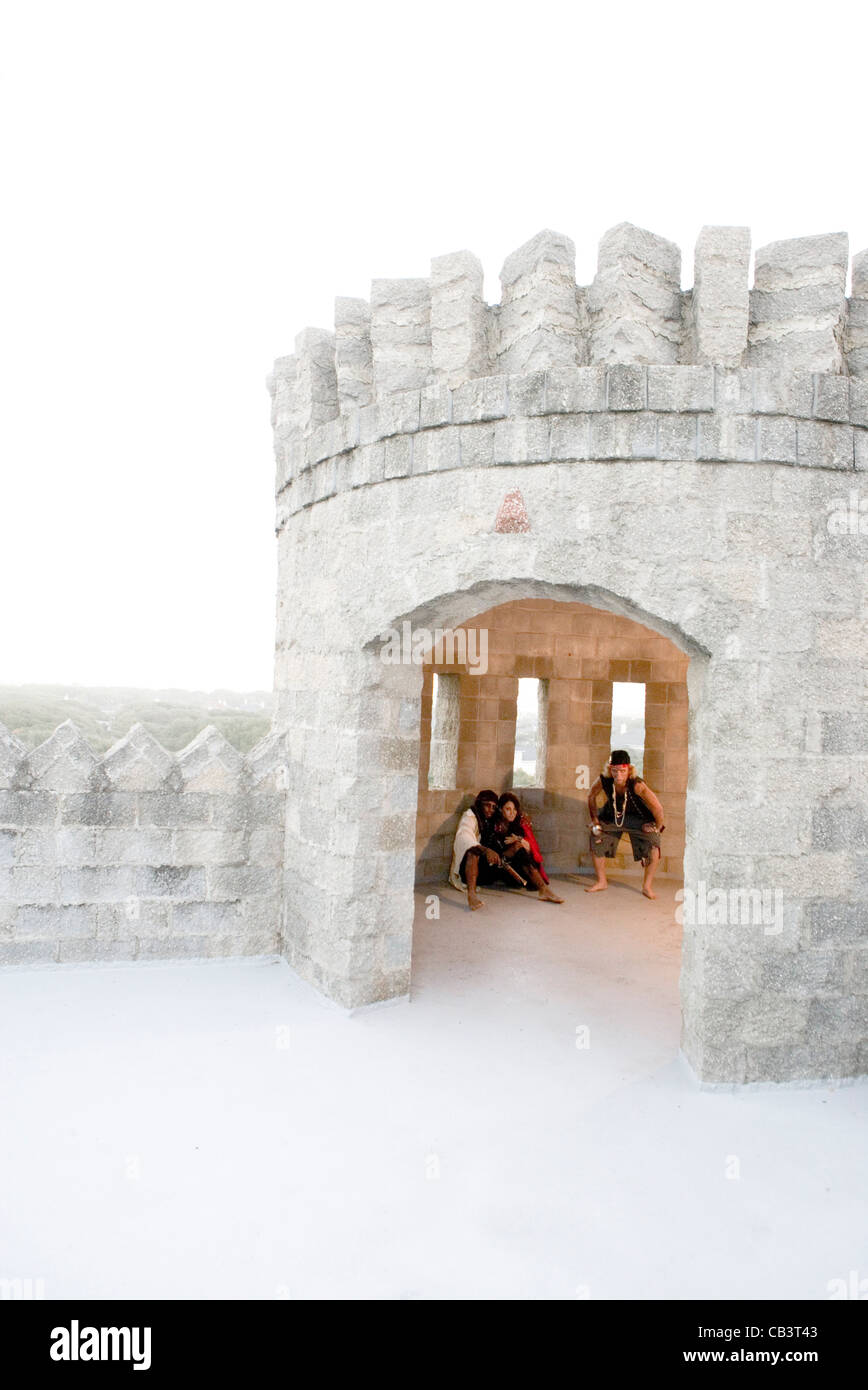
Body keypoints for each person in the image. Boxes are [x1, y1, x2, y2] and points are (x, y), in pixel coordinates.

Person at [449, 789, 563, 911]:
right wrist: (486, 850)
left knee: (519, 849)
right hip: (471, 869)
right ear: (480, 804)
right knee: (473, 851)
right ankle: (472, 896)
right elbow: (465, 837)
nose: (490, 810)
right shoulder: (470, 816)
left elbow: (504, 854)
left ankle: (544, 890)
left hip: (495, 869)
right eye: (487, 805)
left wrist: (514, 848)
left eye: (493, 807)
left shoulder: (499, 820)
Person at [584, 750, 665, 899]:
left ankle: (647, 887)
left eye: (622, 771)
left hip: (639, 819)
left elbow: (658, 808)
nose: (618, 775)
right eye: (614, 771)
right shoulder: (604, 780)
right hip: (612, 816)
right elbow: (591, 795)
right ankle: (602, 882)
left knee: (654, 844)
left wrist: (657, 827)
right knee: (596, 835)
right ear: (610, 769)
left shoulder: (637, 784)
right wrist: (594, 819)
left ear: (629, 769)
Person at [497, 791, 551, 888]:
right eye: (508, 809)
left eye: (514, 809)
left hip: (522, 863)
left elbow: (532, 849)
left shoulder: (520, 824)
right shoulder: (496, 825)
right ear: (501, 810)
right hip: (504, 866)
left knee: (520, 848)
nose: (512, 813)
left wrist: (518, 839)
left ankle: (540, 886)